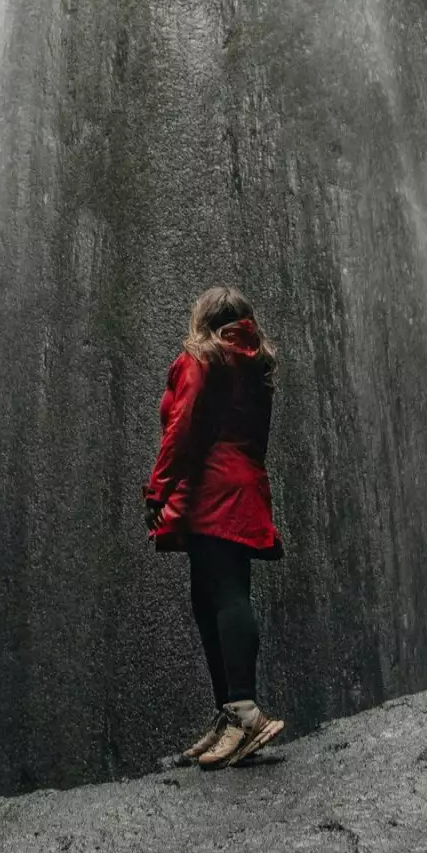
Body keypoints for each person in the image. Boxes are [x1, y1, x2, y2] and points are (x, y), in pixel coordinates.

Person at [144, 283, 285, 768]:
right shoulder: (256, 364)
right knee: (210, 598)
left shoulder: (202, 358)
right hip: (241, 486)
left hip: (213, 488)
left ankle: (245, 712)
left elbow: (182, 426)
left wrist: (158, 490)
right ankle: (230, 714)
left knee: (224, 595)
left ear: (202, 319)